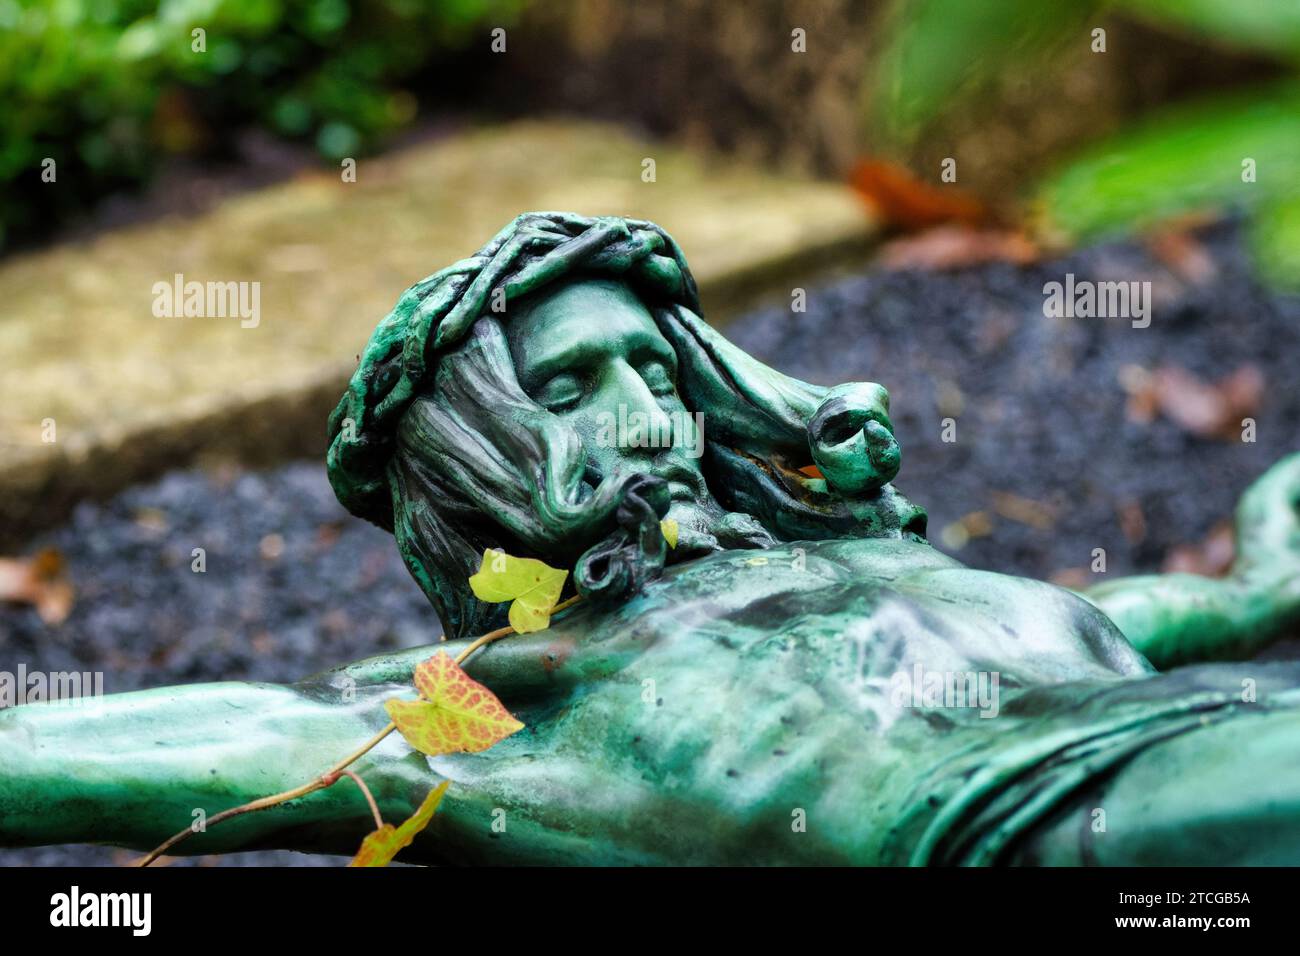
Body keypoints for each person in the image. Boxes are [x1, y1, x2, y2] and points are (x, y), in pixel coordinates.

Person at [2, 213, 1299, 865]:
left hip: (1204, 725)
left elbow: (1177, 612)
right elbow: (238, 737)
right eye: (569, 390)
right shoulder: (526, 702)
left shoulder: (870, 564)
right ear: (482, 453)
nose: (644, 418)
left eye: (656, 372)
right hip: (1056, 831)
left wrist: (1261, 563)